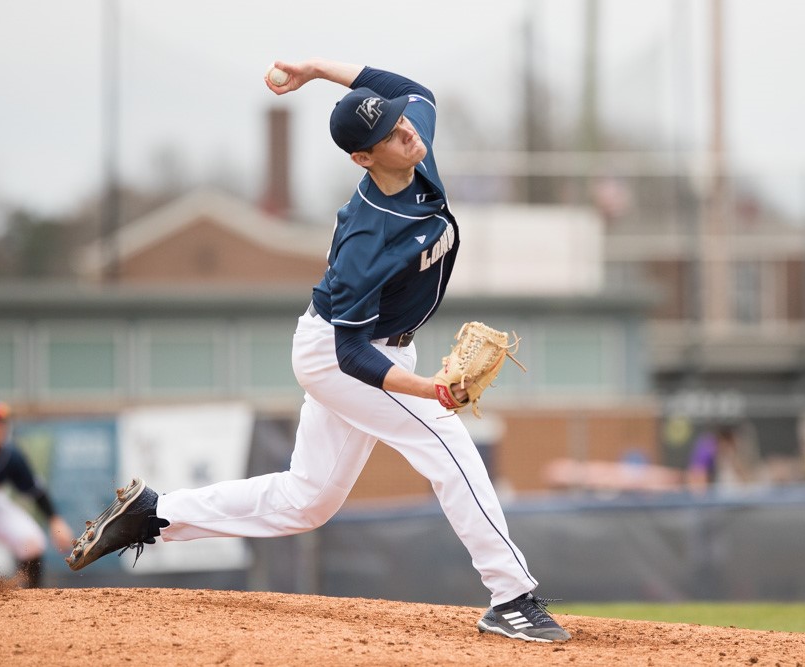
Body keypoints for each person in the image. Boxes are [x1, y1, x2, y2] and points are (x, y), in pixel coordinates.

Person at [66, 58, 570, 643]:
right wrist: (430, 390)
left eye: (401, 122)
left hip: (380, 349)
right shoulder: (366, 238)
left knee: (307, 501)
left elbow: (414, 91)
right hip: (339, 354)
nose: (408, 133)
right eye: (391, 135)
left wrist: (316, 70)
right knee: (446, 444)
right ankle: (510, 595)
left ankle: (153, 515)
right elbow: (349, 354)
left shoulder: (413, 142)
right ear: (363, 158)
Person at [0, 398, 74, 587]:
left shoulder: (10, 456)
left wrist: (55, 520)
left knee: (32, 541)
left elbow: (35, 490)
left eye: (1, 423)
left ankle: (30, 599)